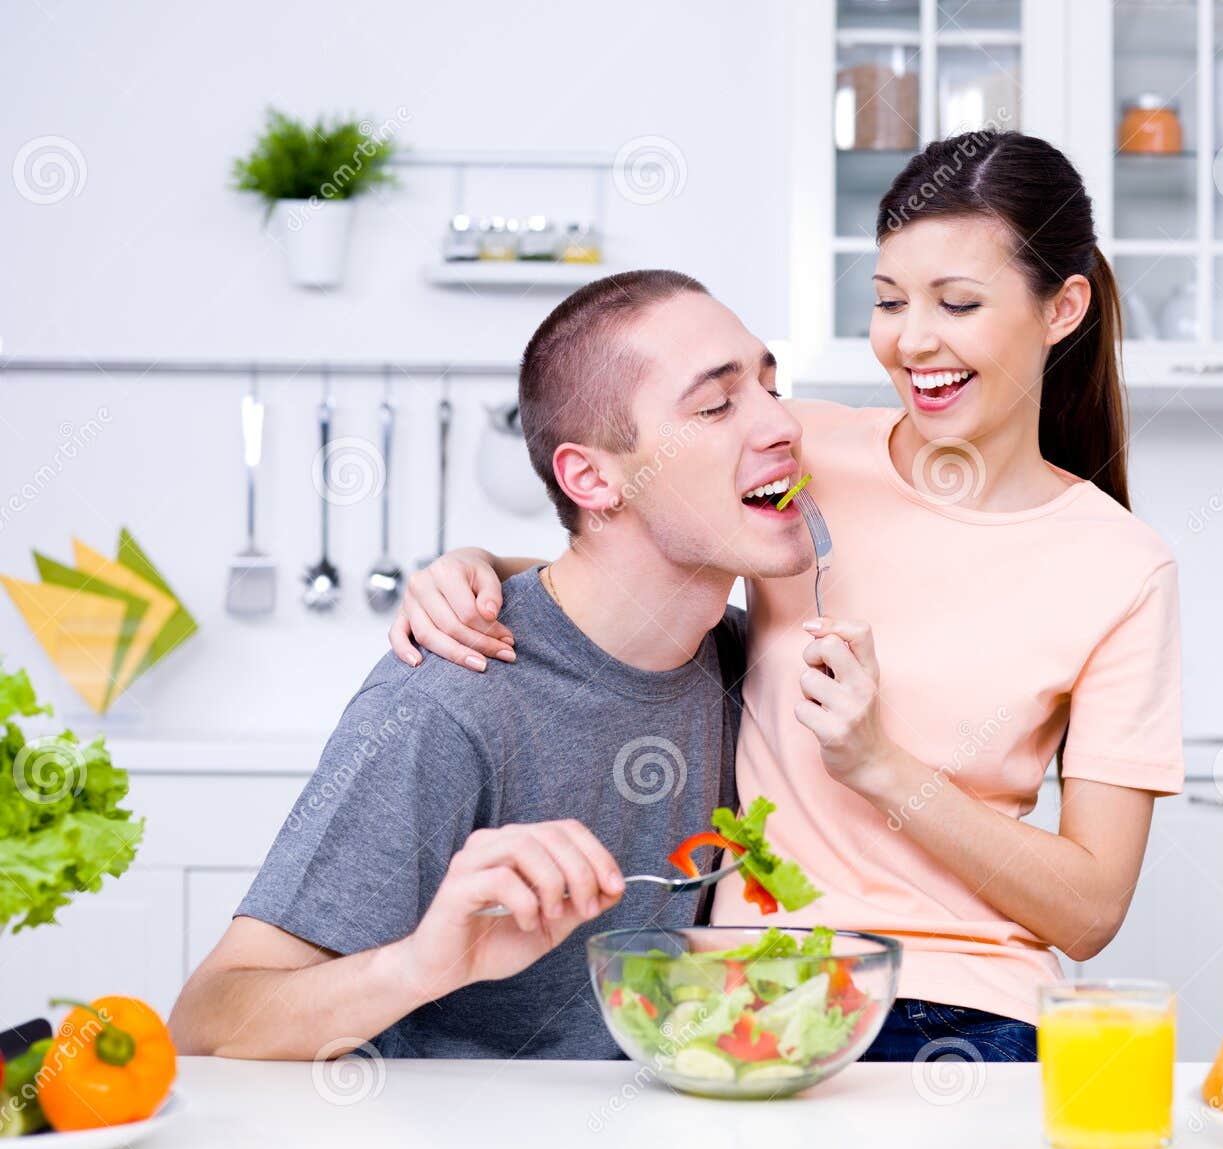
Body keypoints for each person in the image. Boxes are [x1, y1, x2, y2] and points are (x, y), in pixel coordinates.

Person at [390, 132, 1185, 1063]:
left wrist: (879, 764)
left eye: (958, 303)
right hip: (751, 985)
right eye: (889, 301)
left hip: (964, 1004)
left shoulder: (1121, 566)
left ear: (1064, 308)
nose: (912, 340)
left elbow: (1089, 911)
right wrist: (479, 564)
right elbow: (639, 547)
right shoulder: (804, 448)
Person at [168, 269, 815, 1060]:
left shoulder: (755, 664)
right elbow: (205, 1020)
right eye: (715, 405)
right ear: (592, 478)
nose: (782, 424)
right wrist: (418, 966)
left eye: (772, 388)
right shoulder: (451, 695)